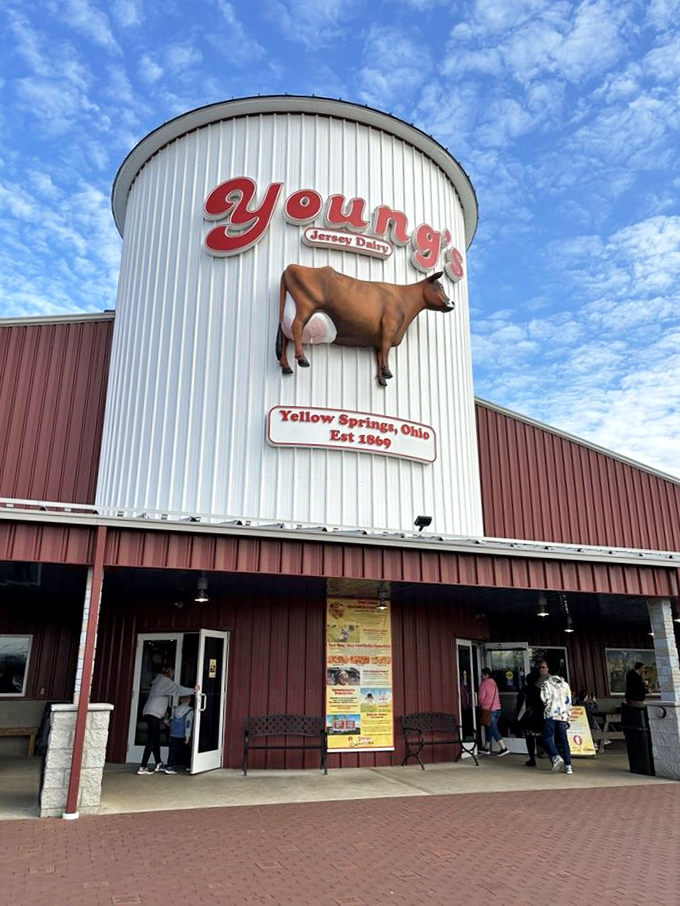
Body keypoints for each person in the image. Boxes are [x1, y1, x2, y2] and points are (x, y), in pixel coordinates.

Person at [138, 666, 198, 775]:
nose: (173, 675)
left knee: (155, 739)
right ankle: (143, 766)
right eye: (173, 673)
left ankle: (159, 763)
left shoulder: (157, 681)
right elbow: (178, 690)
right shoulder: (165, 681)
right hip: (154, 713)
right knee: (152, 740)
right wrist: (193, 690)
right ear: (169, 672)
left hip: (149, 711)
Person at [537, 660, 573, 774]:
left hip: (550, 714)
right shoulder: (565, 685)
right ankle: (568, 766)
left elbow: (544, 699)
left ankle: (555, 756)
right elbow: (569, 701)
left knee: (547, 736)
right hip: (562, 715)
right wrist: (568, 715)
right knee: (563, 739)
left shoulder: (546, 684)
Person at [477, 667, 509, 756]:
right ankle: (486, 747)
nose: (481, 676)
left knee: (493, 728)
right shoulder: (494, 683)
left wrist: (480, 704)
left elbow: (481, 697)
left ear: (486, 675)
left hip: (488, 709)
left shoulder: (484, 684)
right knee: (489, 728)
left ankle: (503, 748)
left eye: (482, 674)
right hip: (497, 708)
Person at [517, 669, 544, 767]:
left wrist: (518, 719)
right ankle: (551, 756)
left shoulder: (524, 691)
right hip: (538, 718)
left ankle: (532, 759)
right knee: (542, 738)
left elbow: (520, 706)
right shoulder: (539, 691)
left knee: (530, 739)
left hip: (528, 718)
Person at [163, 695, 194, 774]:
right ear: (189, 700)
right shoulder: (189, 711)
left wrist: (166, 721)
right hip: (182, 734)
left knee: (172, 751)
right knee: (185, 750)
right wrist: (188, 736)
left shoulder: (176, 709)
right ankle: (188, 765)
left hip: (173, 734)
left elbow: (171, 721)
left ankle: (170, 766)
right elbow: (188, 724)